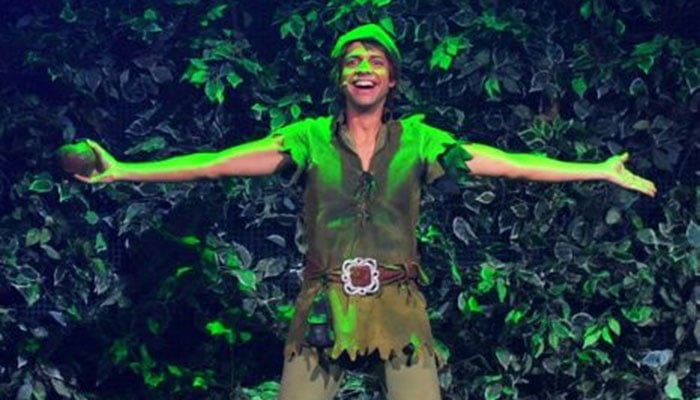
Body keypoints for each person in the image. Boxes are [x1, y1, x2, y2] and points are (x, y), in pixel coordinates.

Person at [74, 24, 656, 400]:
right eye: (353, 60)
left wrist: (597, 169)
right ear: (340, 77)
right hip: (325, 303)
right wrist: (123, 169)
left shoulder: (422, 142)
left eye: (375, 61)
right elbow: (215, 164)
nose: (363, 67)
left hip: (398, 302)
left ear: (391, 79)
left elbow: (509, 164)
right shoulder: (307, 140)